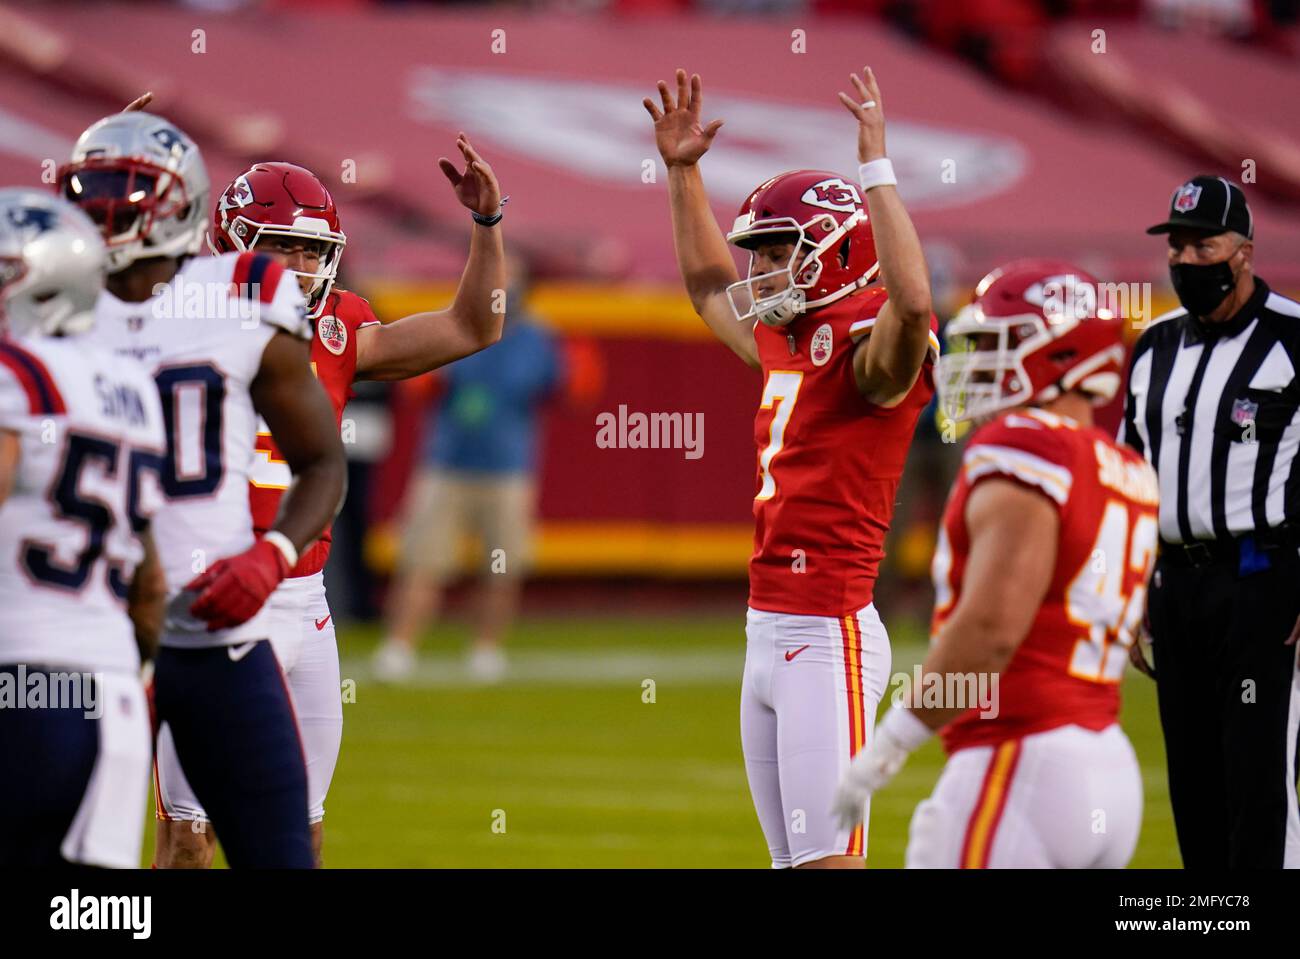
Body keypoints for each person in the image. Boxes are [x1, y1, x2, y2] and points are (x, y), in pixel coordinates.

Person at [151, 145, 505, 867]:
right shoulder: (167, 313)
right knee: (187, 840)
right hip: (207, 590)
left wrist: (487, 222)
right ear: (228, 239)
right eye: (279, 245)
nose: (297, 266)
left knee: (298, 835)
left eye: (310, 250)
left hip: (301, 599)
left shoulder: (336, 330)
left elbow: (473, 327)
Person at [644, 67, 937, 868]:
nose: (764, 270)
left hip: (830, 628)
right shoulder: (786, 331)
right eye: (763, 254)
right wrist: (683, 173)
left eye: (782, 252)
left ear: (843, 251)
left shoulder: (870, 350)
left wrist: (876, 168)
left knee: (831, 863)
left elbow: (910, 307)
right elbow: (708, 284)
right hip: (766, 628)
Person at [61, 111, 347, 868]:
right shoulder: (50, 320)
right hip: (79, 627)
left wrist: (273, 549)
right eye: (91, 197)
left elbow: (321, 460)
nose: (104, 216)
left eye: (129, 198)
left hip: (217, 623)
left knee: (282, 848)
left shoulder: (249, 295)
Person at [835, 259, 1157, 868]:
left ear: (1061, 356)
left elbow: (990, 632)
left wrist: (891, 742)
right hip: (1105, 764)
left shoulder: (1024, 447)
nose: (974, 362)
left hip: (1022, 758)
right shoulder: (1127, 469)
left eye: (994, 344)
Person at [1122, 175, 1300, 868]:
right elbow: (1131, 475)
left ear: (1246, 250)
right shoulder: (1155, 346)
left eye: (1206, 244)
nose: (1188, 259)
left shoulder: (1291, 336)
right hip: (1175, 587)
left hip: (1263, 580)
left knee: (1259, 790)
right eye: (1179, 245)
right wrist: (1132, 586)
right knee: (1195, 793)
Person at [0, 190, 166, 867]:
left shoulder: (19, 375)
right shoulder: (135, 389)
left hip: (22, 682)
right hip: (116, 694)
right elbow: (150, 584)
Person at [374, 255, 559, 684]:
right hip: (447, 463)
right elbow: (416, 383)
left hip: (507, 468)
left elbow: (565, 387)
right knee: (422, 561)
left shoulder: (537, 337)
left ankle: (486, 649)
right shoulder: (453, 321)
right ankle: (400, 645)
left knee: (501, 567)